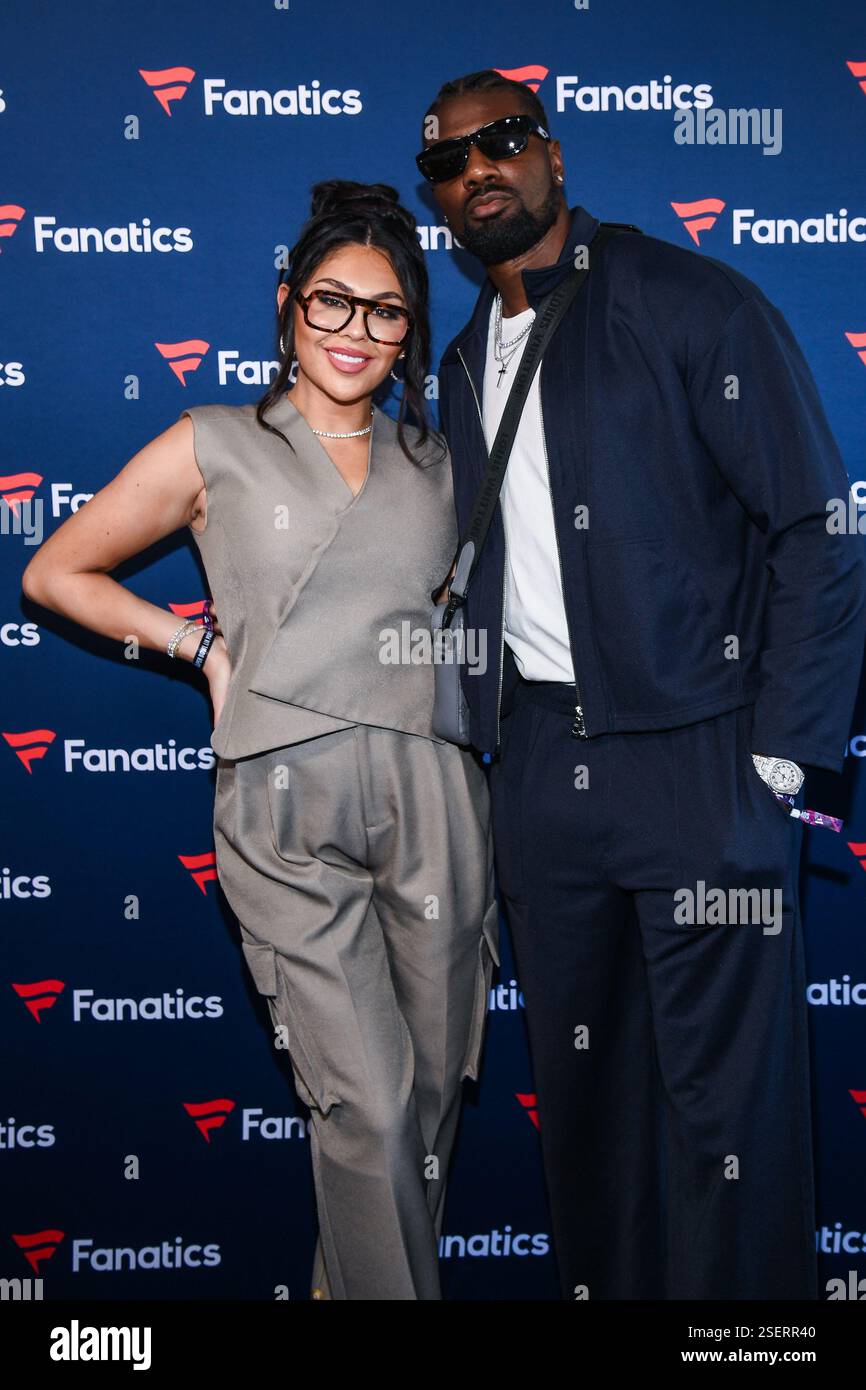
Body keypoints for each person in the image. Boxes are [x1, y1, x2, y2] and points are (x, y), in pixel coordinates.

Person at [416, 69, 866, 1300]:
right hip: (546, 781)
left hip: (700, 759)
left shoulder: (687, 299)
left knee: (731, 1116)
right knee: (588, 1101)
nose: (478, 172)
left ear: (551, 153)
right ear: (440, 202)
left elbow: (816, 530)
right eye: (450, 164)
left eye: (499, 142)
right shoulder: (458, 361)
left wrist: (779, 752)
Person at [21, 179, 498, 1302]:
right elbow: (54, 573)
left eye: (384, 312)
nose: (354, 331)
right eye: (332, 302)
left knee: (425, 1110)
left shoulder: (439, 460)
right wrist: (199, 651)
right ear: (288, 305)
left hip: (434, 793)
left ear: (408, 331)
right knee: (364, 1107)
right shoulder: (215, 444)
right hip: (284, 800)